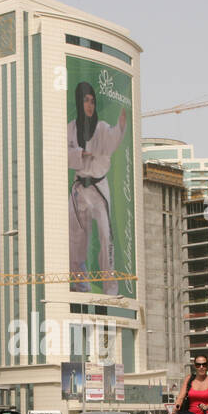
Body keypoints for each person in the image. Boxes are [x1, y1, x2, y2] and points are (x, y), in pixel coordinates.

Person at [68, 81, 128, 294]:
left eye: (92, 101)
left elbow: (111, 142)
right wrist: (79, 155)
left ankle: (110, 287)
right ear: (79, 102)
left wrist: (121, 124)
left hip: (99, 187)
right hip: (79, 188)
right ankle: (79, 283)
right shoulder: (71, 128)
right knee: (76, 238)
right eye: (86, 100)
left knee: (105, 236)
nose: (90, 105)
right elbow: (62, 153)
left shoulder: (102, 127)